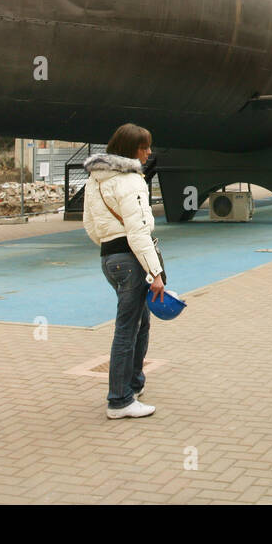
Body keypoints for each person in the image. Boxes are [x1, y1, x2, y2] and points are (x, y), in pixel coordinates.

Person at [82, 123, 168, 419]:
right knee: (127, 330)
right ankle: (119, 400)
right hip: (131, 259)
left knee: (139, 322)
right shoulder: (131, 181)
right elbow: (138, 231)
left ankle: (133, 383)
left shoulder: (95, 180)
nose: (148, 152)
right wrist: (155, 273)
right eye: (144, 147)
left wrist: (110, 247)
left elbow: (90, 226)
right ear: (131, 150)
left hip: (110, 258)